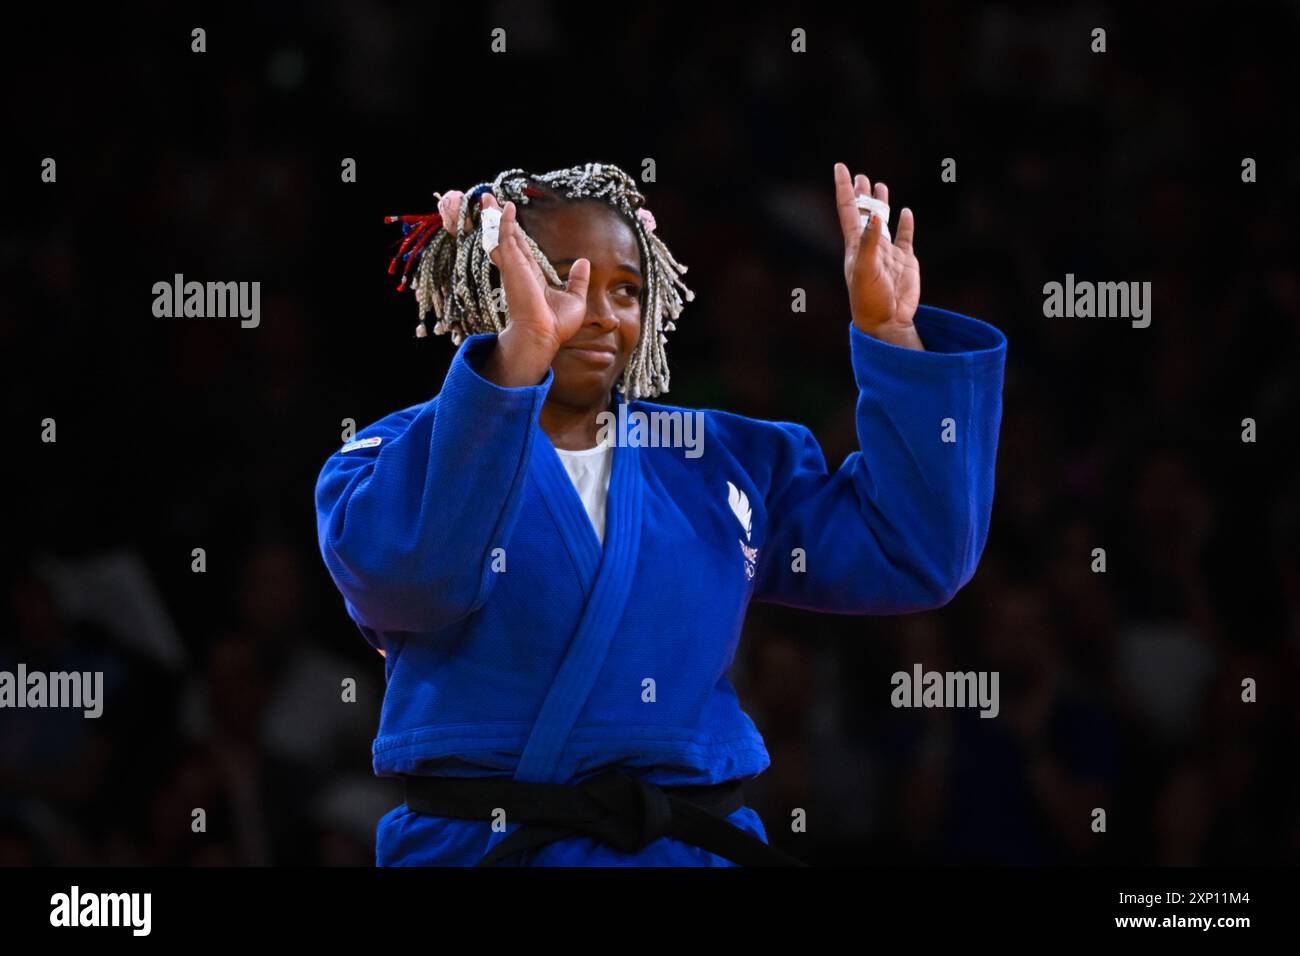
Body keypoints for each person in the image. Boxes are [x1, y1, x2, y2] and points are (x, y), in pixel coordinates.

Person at [314, 161, 1007, 865]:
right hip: (489, 846)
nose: (600, 312)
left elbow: (914, 553)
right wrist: (517, 359)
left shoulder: (718, 459)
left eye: (626, 289)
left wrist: (891, 334)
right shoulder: (385, 460)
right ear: (493, 282)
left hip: (688, 847)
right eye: (564, 278)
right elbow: (417, 581)